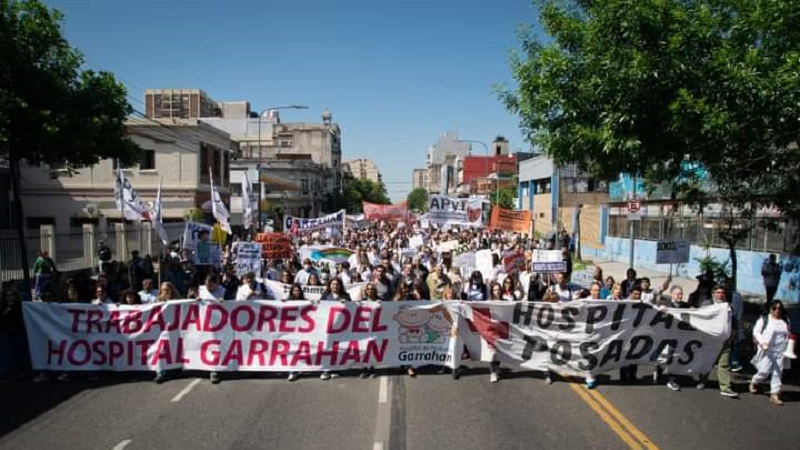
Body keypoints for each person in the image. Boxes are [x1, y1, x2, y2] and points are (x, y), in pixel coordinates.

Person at [696, 285, 738, 398]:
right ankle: (702, 381)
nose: (720, 295)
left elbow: (734, 324)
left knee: (724, 365)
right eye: (718, 292)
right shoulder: (707, 305)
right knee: (707, 362)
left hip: (724, 341)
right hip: (710, 341)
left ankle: (725, 387)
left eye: (722, 293)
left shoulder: (729, 307)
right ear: (713, 294)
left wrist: (731, 337)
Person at [749, 300, 791, 405]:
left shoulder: (785, 320)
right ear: (770, 308)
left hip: (780, 350)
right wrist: (763, 343)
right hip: (767, 350)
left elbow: (788, 334)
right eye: (774, 308)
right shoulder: (764, 319)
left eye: (779, 308)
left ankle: (774, 394)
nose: (777, 311)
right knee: (764, 371)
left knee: (778, 372)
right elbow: (756, 332)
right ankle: (754, 381)